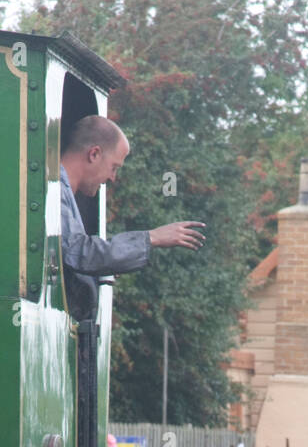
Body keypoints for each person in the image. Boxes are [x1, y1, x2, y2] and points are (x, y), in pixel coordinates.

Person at [60, 115, 205, 321]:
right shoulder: (53, 191)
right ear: (94, 154)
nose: (113, 178)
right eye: (114, 167)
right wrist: (151, 238)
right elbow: (77, 251)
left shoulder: (64, 193)